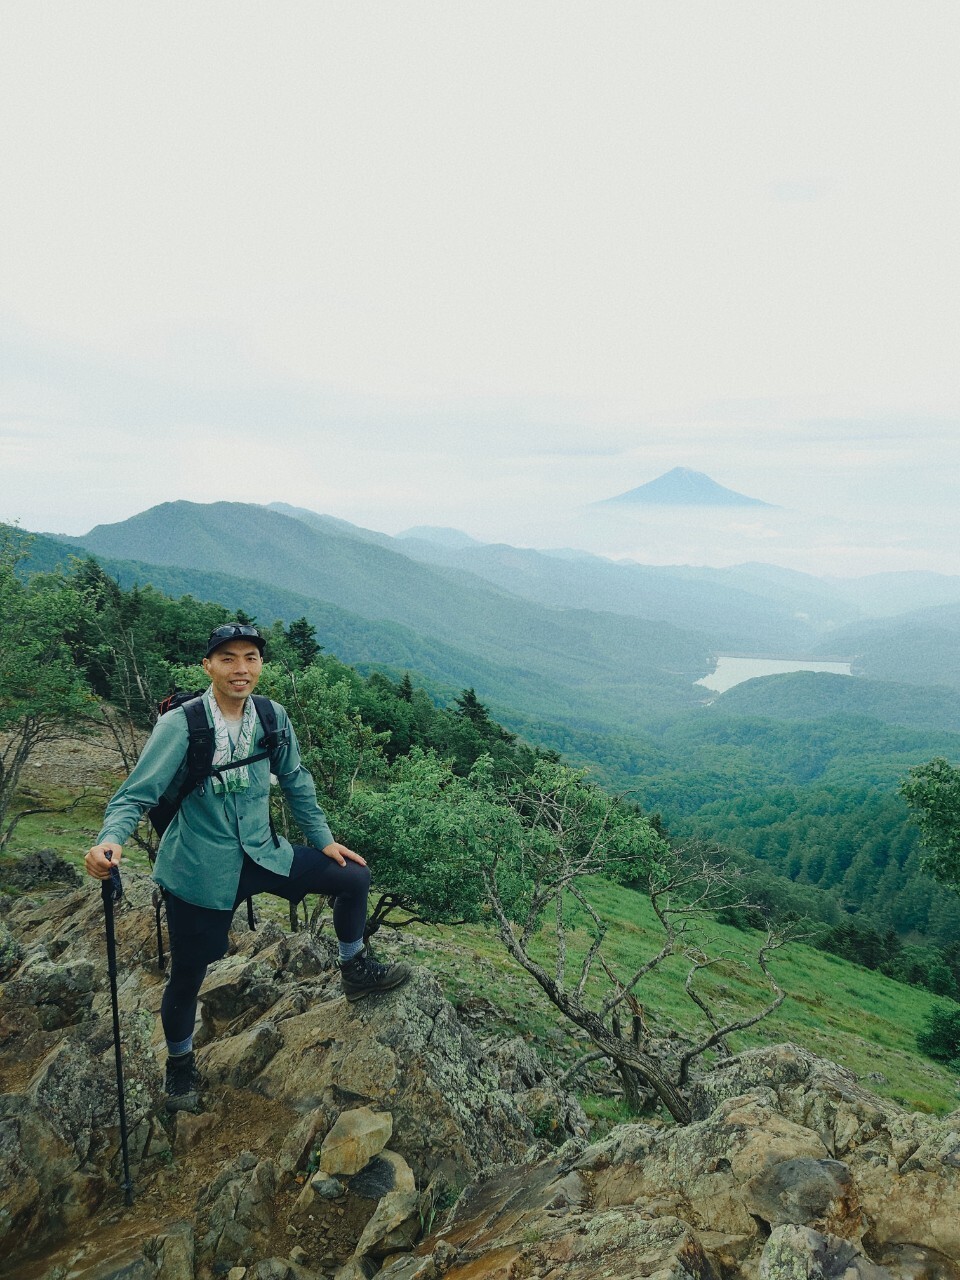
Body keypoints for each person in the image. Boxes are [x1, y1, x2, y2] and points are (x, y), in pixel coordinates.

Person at [85, 622, 410, 1111]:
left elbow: (297, 781)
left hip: (263, 852)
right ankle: (180, 1066)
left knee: (353, 876)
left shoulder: (271, 717)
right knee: (189, 973)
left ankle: (354, 967)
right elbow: (136, 794)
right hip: (198, 868)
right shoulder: (183, 725)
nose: (242, 669)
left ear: (261, 664)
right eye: (229, 658)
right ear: (208, 666)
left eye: (251, 658)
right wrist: (109, 841)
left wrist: (323, 841)